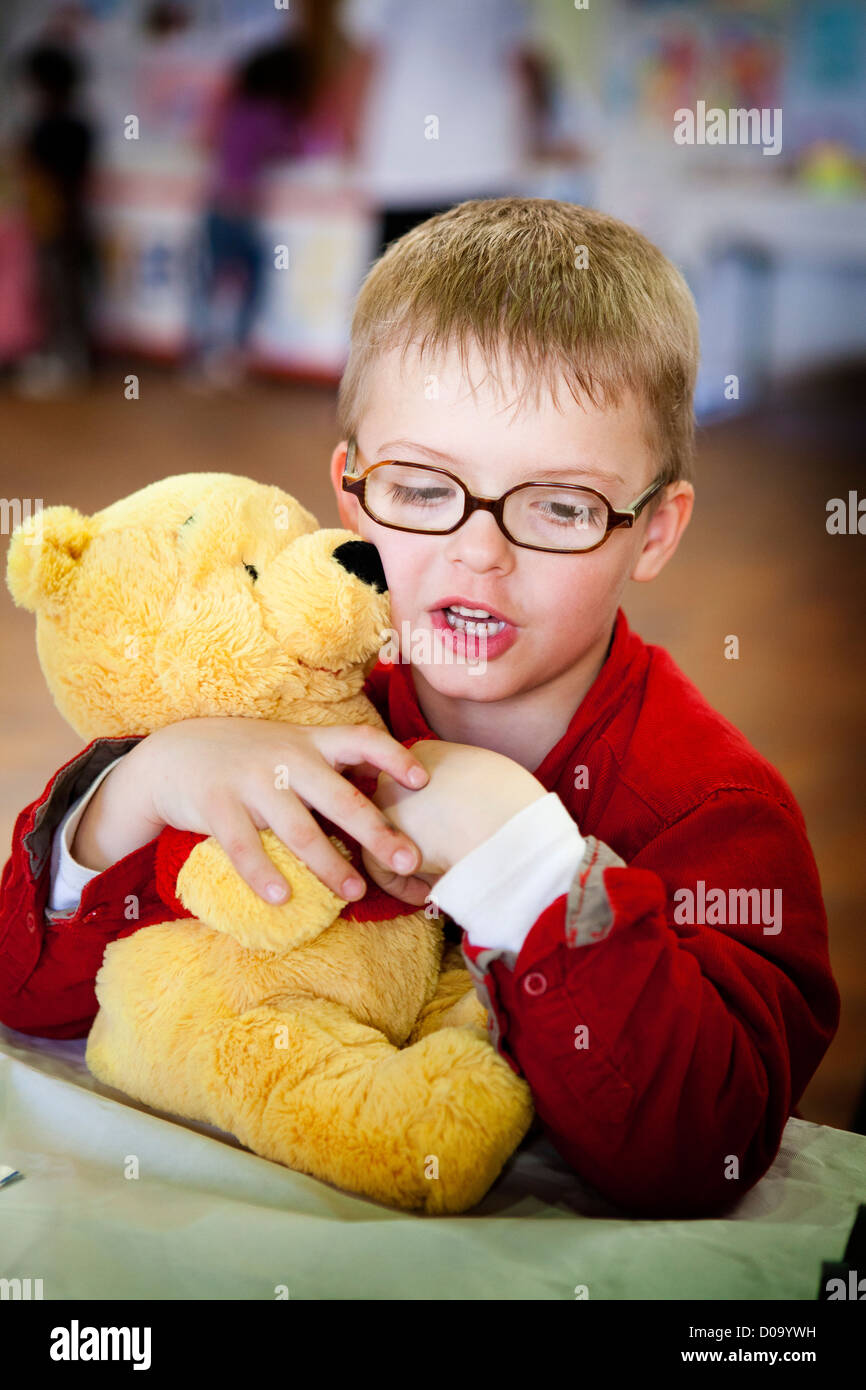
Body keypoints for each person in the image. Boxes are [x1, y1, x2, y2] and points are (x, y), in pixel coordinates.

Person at [0, 198, 839, 1218]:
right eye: (423, 489)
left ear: (653, 531)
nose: (476, 552)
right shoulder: (286, 690)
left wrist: (522, 857)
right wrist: (142, 782)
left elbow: (699, 1151)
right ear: (352, 495)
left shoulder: (715, 812)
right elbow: (26, 995)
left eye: (559, 506)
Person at [13, 40, 97, 396]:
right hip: (56, 220)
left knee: (60, 292)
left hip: (58, 221)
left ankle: (68, 359)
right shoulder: (72, 125)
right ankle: (65, 356)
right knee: (58, 291)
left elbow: (41, 173)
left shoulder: (56, 127)